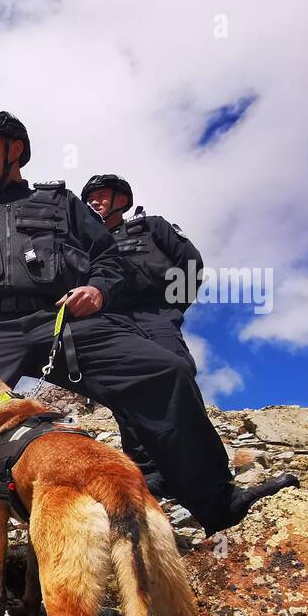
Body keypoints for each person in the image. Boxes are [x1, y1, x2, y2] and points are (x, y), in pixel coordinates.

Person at [0, 111, 297, 615]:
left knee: (163, 371)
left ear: (16, 151)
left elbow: (110, 258)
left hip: (62, 316)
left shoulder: (61, 202)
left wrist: (99, 289)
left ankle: (217, 503)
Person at [83, 173, 204, 496]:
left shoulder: (151, 227)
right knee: (127, 391)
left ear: (121, 199)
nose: (94, 201)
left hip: (155, 315)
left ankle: (197, 469)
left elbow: (191, 264)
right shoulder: (86, 245)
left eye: (102, 195)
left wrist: (170, 309)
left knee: (177, 374)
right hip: (110, 323)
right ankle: (148, 473)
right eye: (90, 197)